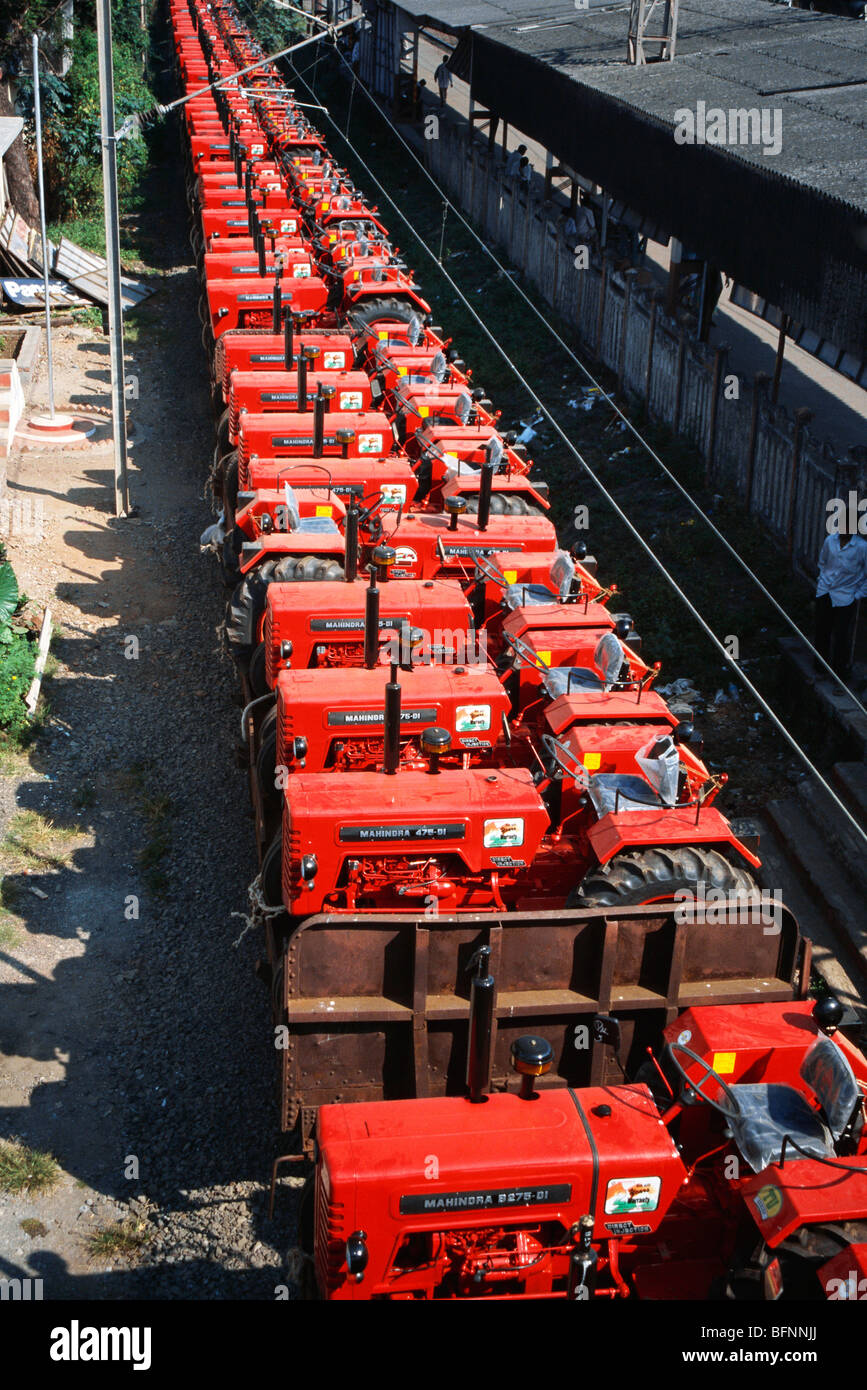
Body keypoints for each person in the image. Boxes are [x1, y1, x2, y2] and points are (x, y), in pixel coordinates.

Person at [814, 519, 867, 679]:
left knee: (842, 635)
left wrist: (858, 594)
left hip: (846, 597)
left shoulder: (862, 547)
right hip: (825, 592)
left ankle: (839, 673)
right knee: (822, 630)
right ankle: (820, 667)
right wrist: (822, 582)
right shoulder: (830, 541)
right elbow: (822, 563)